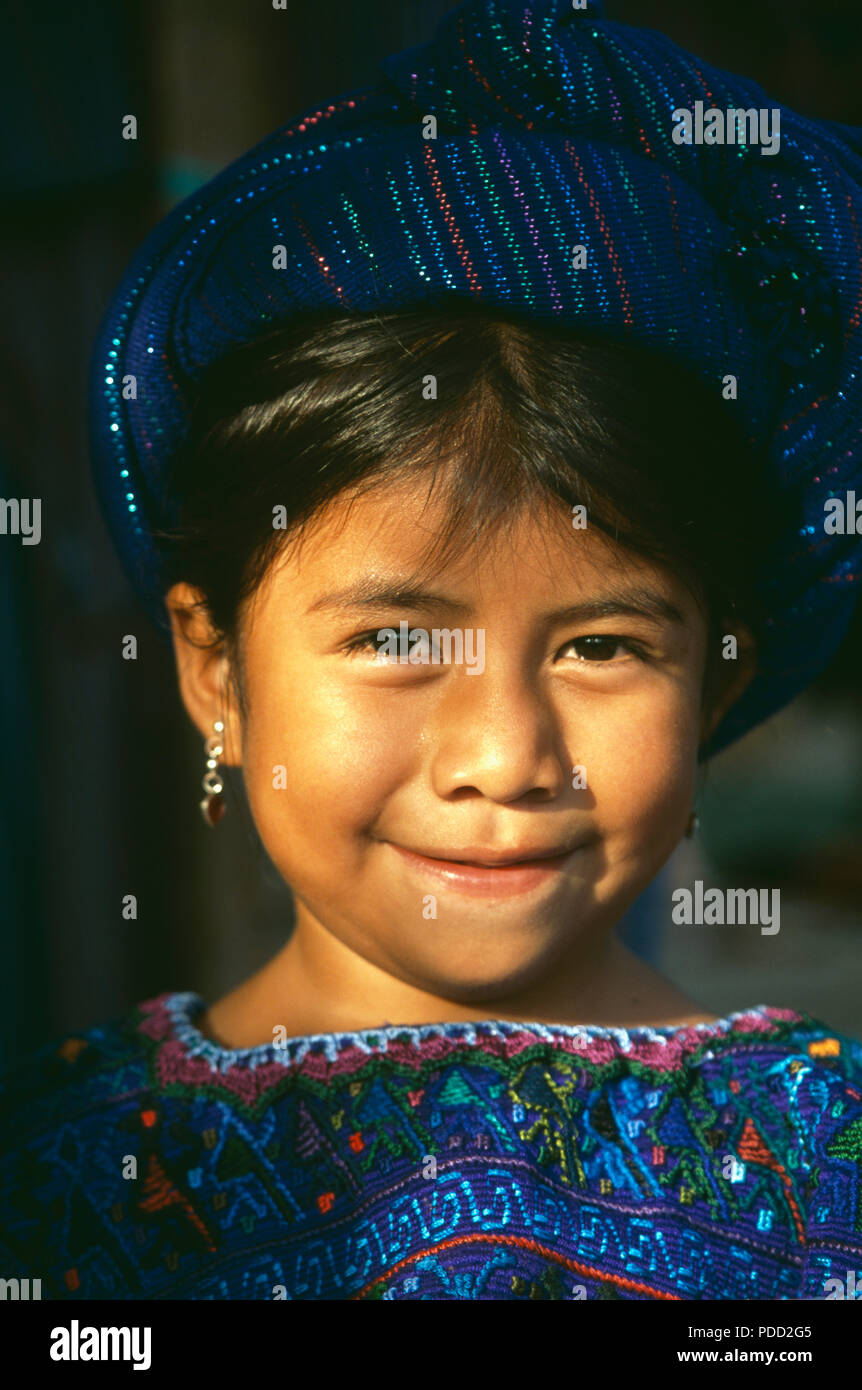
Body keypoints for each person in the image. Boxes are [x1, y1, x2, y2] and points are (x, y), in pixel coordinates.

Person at [1, 0, 861, 1300]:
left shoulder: (825, 1170)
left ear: (715, 677)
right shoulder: (55, 1185)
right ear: (214, 668)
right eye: (397, 636)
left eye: (603, 644)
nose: (502, 756)